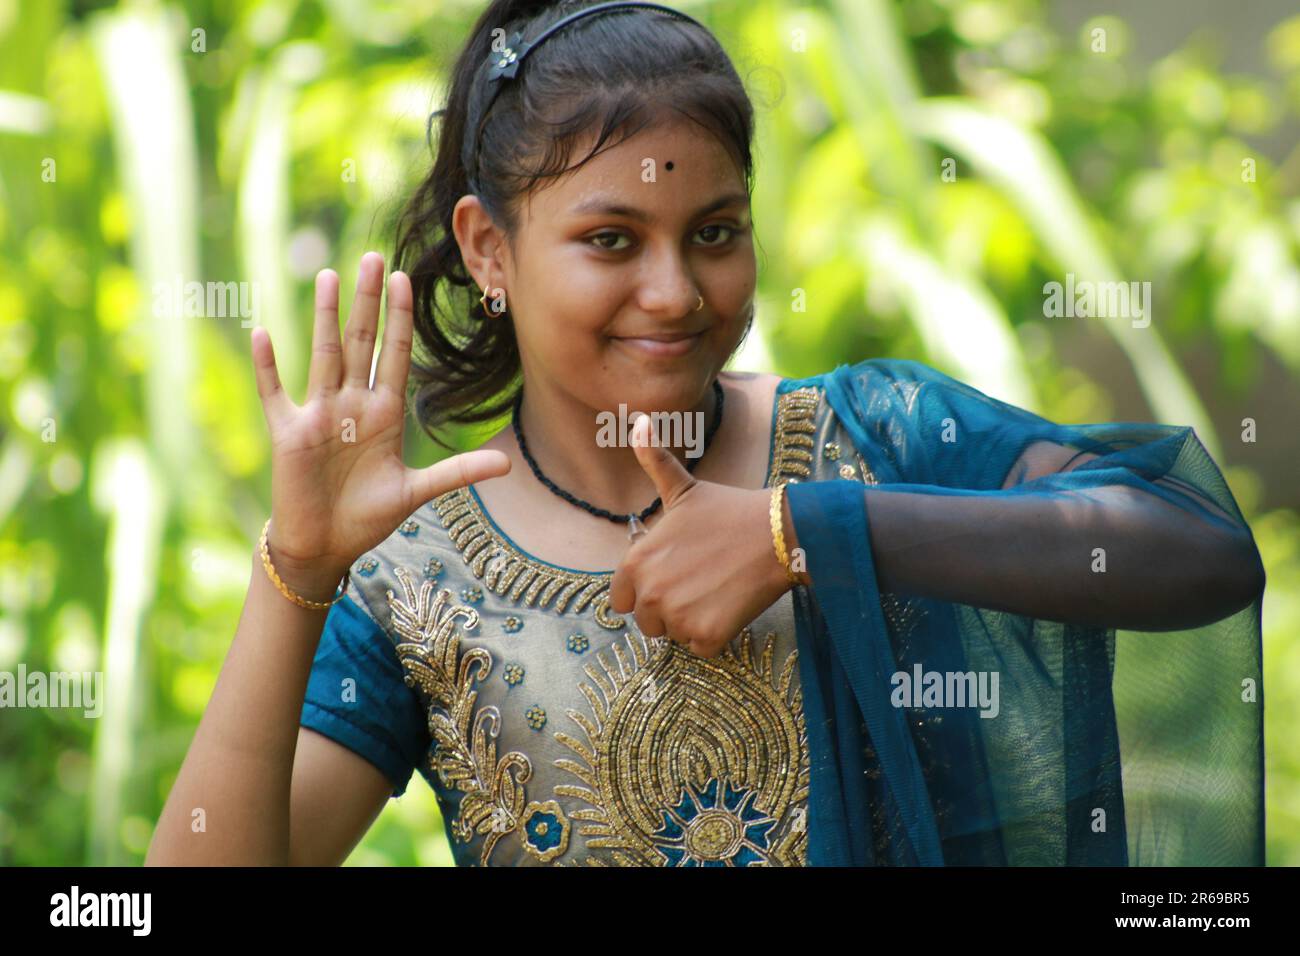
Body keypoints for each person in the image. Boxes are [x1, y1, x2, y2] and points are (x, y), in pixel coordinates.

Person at [146, 0, 1265, 867]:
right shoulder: (419, 577)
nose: (676, 291)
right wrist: (295, 568)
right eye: (612, 240)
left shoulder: (867, 438)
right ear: (488, 249)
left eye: (715, 231)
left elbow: (1195, 544)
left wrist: (803, 529)